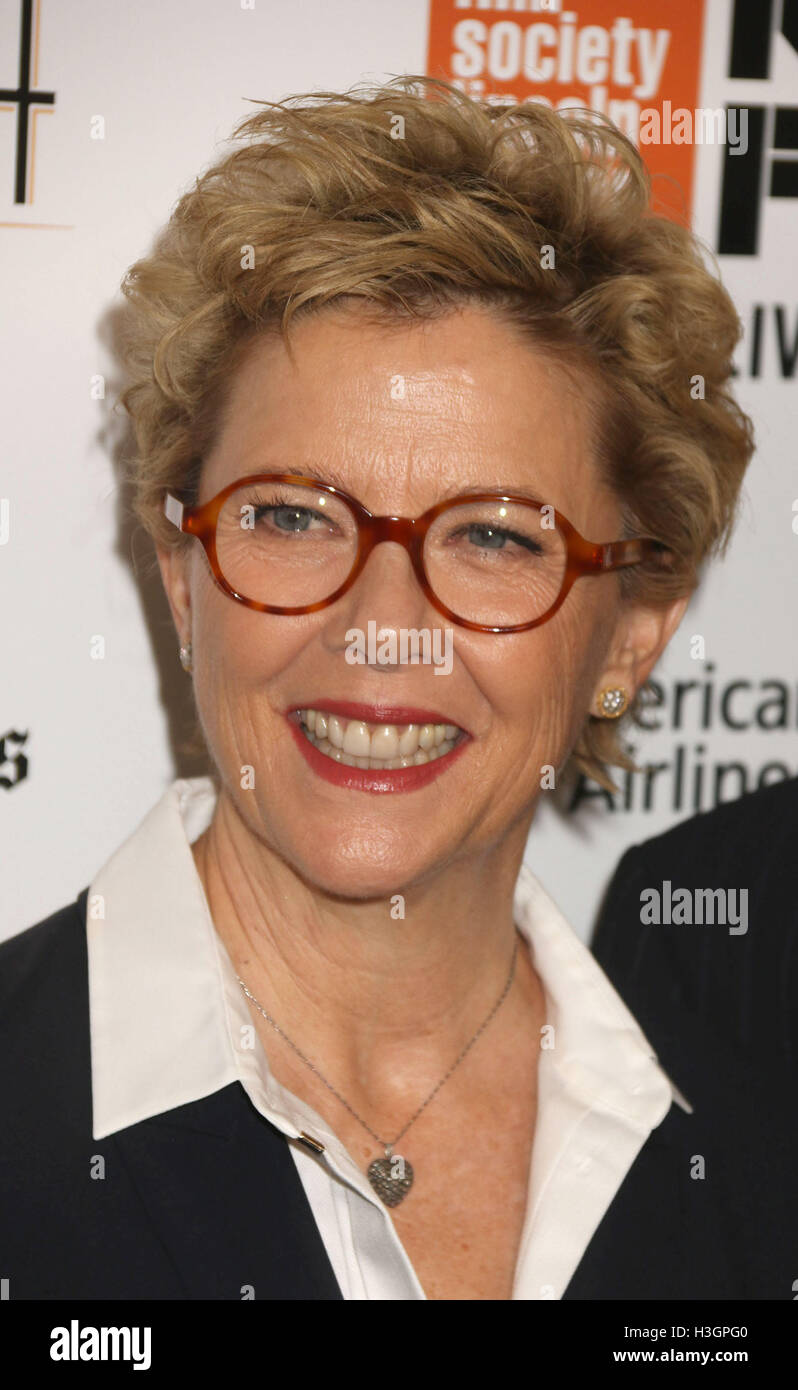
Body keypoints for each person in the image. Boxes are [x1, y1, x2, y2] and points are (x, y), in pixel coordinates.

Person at [0, 74, 766, 1300]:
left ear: (634, 634)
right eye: (294, 516)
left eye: (499, 539)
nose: (383, 630)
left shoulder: (748, 1166)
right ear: (183, 577)